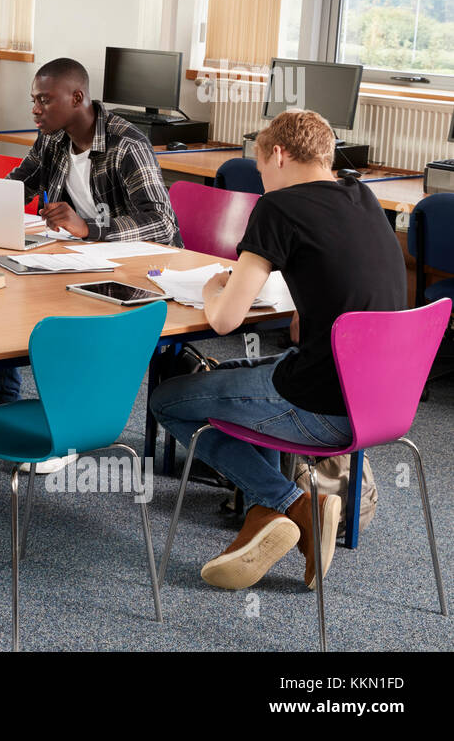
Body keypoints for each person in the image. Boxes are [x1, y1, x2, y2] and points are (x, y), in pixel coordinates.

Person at [149, 109, 405, 591]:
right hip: (382, 402)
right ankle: (265, 516)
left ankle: (294, 506)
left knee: (170, 400)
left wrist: (213, 288)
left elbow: (226, 319)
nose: (263, 181)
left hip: (324, 405)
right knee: (247, 378)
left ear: (280, 155)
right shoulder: (363, 196)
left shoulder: (280, 208)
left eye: (263, 168)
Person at [0, 57, 180, 415]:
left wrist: (90, 228)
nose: (35, 110)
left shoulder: (127, 144)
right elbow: (17, 187)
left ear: (77, 98)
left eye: (44, 101)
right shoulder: (53, 139)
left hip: (142, 266)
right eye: (33, 100)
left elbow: (163, 224)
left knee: (65, 323)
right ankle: (1, 400)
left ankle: (72, 424)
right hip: (84, 257)